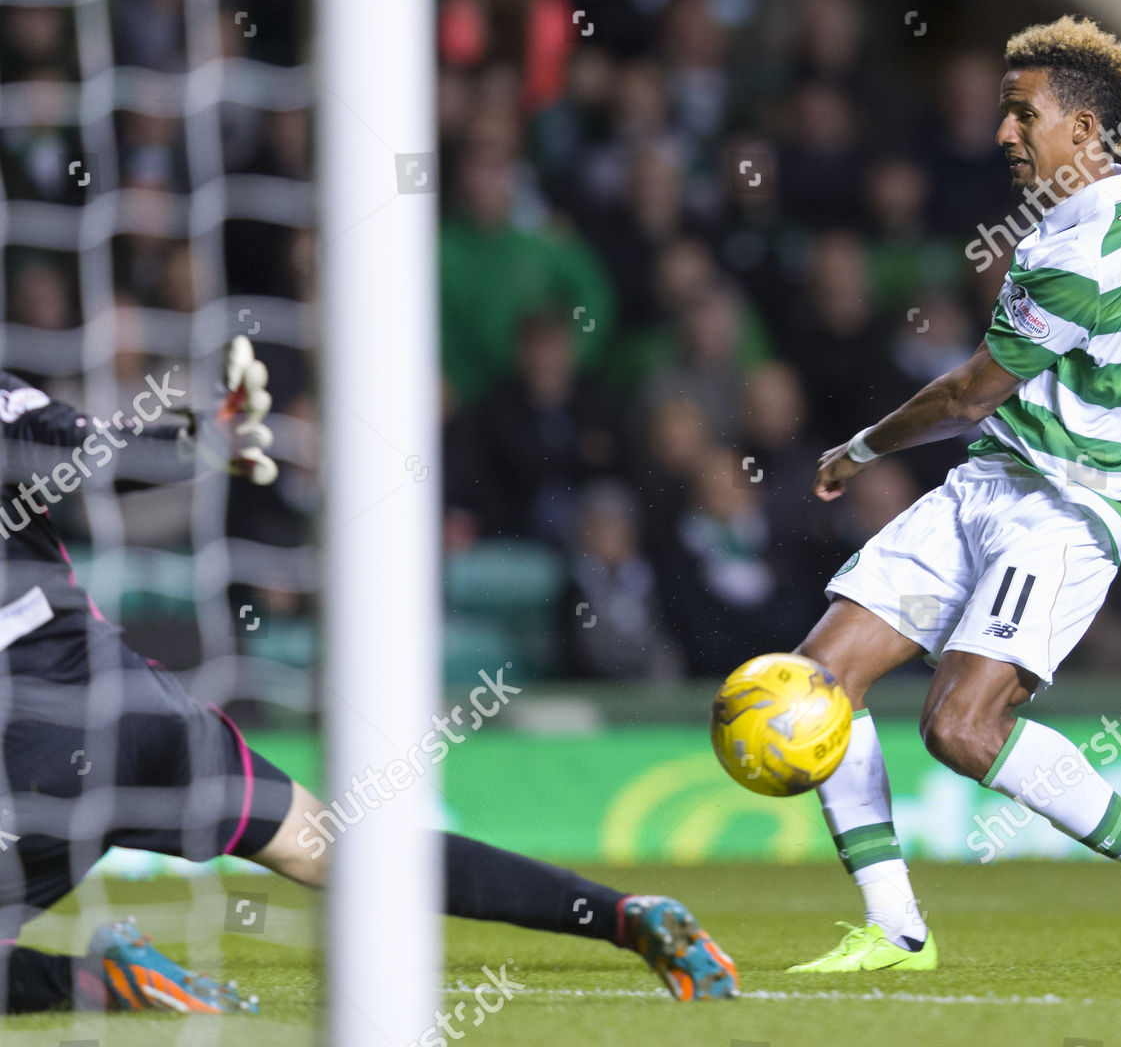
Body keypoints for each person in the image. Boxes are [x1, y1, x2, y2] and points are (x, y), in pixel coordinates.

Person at [0, 340, 736, 1015]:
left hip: (28, 754)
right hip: (136, 705)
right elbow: (78, 448)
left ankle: (97, 980)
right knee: (341, 851)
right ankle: (622, 914)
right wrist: (201, 437)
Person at [783, 16, 1121, 972]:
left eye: (1021, 114)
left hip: (1050, 516)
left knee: (959, 729)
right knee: (817, 684)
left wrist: (860, 450)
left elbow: (969, 395)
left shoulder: (1079, 257)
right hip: (989, 487)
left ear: (1083, 128)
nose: (1003, 132)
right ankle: (896, 929)